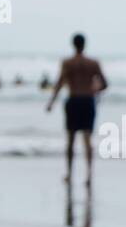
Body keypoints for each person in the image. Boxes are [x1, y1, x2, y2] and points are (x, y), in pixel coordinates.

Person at [45, 33, 107, 185]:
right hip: (88, 100)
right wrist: (95, 88)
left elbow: (59, 83)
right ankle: (89, 175)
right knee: (87, 139)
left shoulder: (68, 63)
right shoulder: (93, 63)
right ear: (84, 44)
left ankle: (69, 173)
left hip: (73, 100)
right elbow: (104, 83)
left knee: (71, 140)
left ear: (73, 44)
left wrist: (51, 102)